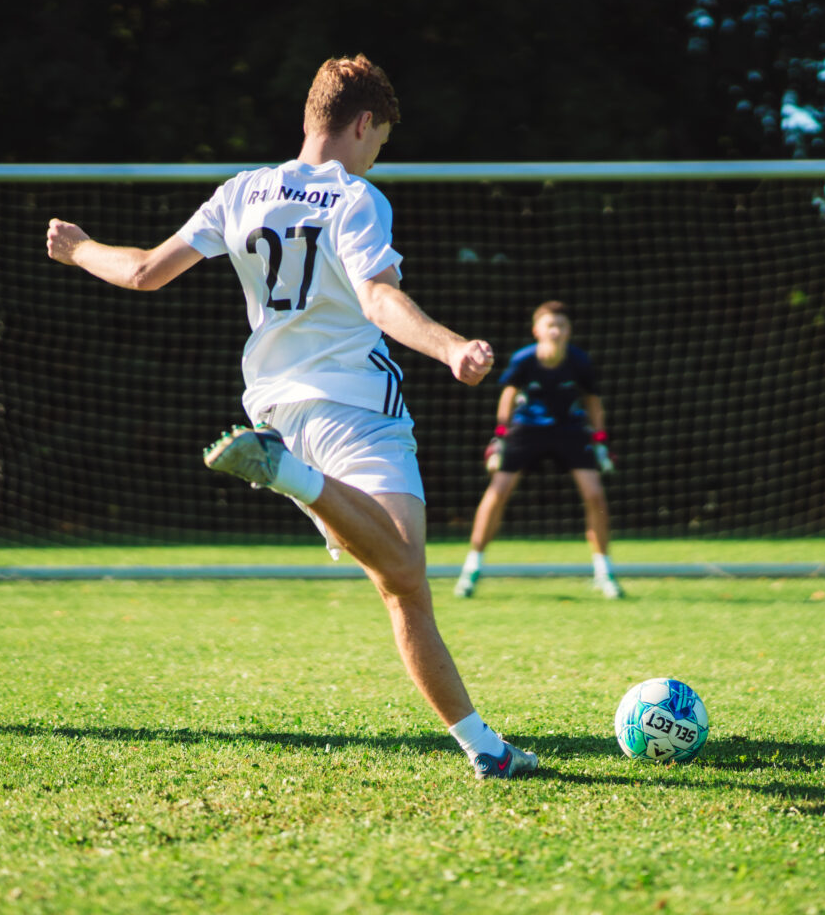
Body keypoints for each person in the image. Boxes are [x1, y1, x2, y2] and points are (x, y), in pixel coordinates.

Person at [45, 54, 538, 780]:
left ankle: (486, 751)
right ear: (362, 123)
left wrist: (81, 248)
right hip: (354, 405)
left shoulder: (241, 192)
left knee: (399, 584)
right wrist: (451, 345)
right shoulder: (355, 199)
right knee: (404, 573)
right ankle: (292, 477)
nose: (375, 157)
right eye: (380, 142)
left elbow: (146, 270)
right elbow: (378, 300)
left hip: (277, 404)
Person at [455, 300, 624, 600]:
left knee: (595, 494)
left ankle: (604, 573)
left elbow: (592, 401)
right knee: (498, 491)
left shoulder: (579, 361)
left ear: (569, 330)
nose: (556, 331)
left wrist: (599, 441)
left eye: (561, 325)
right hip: (527, 429)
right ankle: (471, 570)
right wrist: (500, 436)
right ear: (537, 330)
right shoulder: (524, 359)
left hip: (570, 429)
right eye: (550, 325)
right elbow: (508, 395)